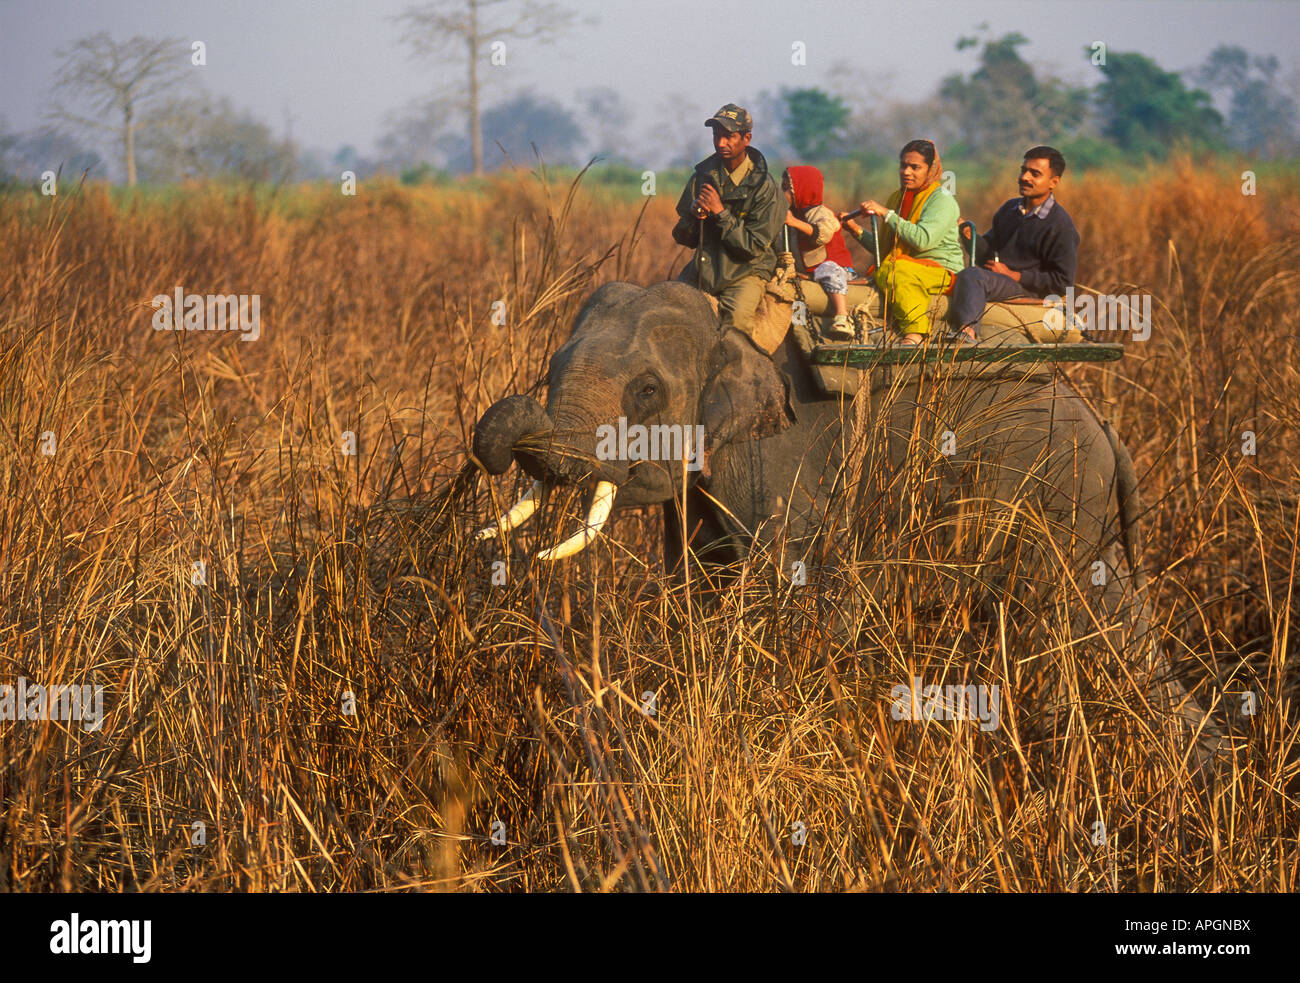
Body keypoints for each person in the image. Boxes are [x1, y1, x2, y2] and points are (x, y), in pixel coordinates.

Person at [672, 103, 785, 344]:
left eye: (728, 136)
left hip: (746, 272)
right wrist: (694, 216)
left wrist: (720, 213)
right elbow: (682, 237)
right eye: (716, 135)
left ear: (747, 138)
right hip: (704, 267)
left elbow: (753, 249)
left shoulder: (766, 188)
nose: (721, 143)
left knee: (734, 329)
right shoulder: (701, 177)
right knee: (668, 314)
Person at [948, 146, 1080, 343]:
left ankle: (967, 333)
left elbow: (1062, 282)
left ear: (1054, 182)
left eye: (1035, 174)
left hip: (1028, 291)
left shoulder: (1060, 226)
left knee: (973, 276)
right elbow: (988, 256)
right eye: (1023, 170)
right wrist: (968, 236)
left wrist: (1014, 275)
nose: (1025, 177)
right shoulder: (1010, 210)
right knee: (965, 274)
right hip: (999, 281)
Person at [844, 139, 964, 345]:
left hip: (942, 271)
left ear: (930, 170)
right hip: (903, 267)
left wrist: (886, 214)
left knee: (895, 270)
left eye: (915, 167)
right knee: (888, 267)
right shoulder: (897, 198)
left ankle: (915, 332)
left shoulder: (942, 199)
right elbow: (886, 250)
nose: (906, 172)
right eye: (903, 165)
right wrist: (855, 230)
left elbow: (922, 241)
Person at [781, 165, 857, 340]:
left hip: (836, 269)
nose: (783, 193)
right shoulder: (792, 216)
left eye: (788, 189)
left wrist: (794, 223)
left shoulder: (820, 213)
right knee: (794, 287)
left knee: (828, 269)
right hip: (808, 273)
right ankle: (798, 327)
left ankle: (842, 315)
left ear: (801, 190)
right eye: (783, 187)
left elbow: (823, 233)